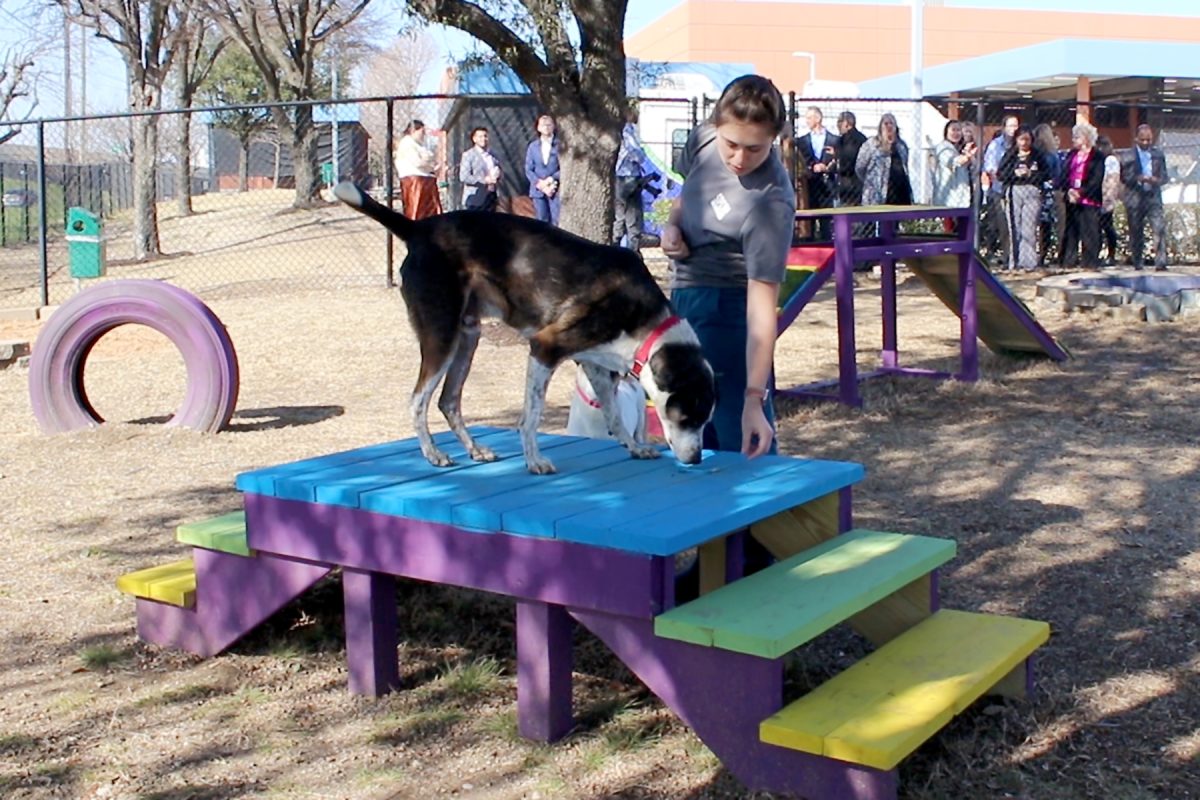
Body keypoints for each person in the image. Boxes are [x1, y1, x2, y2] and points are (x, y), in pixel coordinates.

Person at [659, 74, 795, 457]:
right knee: (688, 435)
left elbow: (762, 308)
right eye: (731, 144)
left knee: (739, 443)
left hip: (730, 311)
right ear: (715, 125)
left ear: (775, 137)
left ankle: (756, 518)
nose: (739, 158)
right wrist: (672, 226)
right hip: (683, 302)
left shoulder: (771, 202)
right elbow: (690, 192)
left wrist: (754, 399)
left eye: (755, 148)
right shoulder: (703, 139)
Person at [998, 126, 1051, 271]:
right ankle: (1013, 262)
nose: (1024, 143)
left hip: (1032, 191)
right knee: (1014, 227)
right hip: (1014, 190)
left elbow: (1047, 174)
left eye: (1027, 139)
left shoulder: (1037, 155)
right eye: (1021, 139)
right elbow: (1001, 174)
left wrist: (1030, 174)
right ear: (1016, 140)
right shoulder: (1010, 154)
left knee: (1029, 227)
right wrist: (1015, 173)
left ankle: (1028, 263)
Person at [1121, 123, 1169, 270]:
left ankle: (1161, 262)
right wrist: (1138, 178)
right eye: (1143, 140)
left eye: (1149, 140)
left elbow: (1165, 177)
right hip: (1135, 197)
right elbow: (1124, 178)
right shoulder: (1128, 156)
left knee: (1159, 228)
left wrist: (1156, 181)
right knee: (1136, 230)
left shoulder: (1158, 154)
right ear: (1136, 139)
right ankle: (1137, 262)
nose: (1146, 143)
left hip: (1153, 196)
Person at [1057, 122, 1104, 270]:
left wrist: (1081, 192)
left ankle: (1090, 263)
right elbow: (1064, 175)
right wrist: (1069, 190)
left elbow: (1096, 179)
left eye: (1077, 137)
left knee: (1089, 231)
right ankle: (1068, 262)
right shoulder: (1071, 154)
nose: (1073, 140)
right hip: (1071, 199)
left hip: (1089, 199)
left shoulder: (1097, 156)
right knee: (1071, 232)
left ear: (1086, 138)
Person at [981, 115, 1019, 265]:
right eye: (1010, 126)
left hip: (1018, 189)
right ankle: (1007, 255)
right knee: (1003, 224)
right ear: (1003, 127)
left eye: (1015, 126)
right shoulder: (995, 145)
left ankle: (1017, 256)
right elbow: (990, 168)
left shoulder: (1020, 143)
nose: (1013, 129)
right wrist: (1004, 175)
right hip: (999, 189)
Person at [796, 106, 839, 238]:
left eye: (809, 118)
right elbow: (800, 161)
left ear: (818, 118)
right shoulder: (801, 141)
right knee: (809, 223)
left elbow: (839, 162)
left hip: (827, 186)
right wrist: (811, 168)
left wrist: (827, 167)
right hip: (809, 185)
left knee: (826, 223)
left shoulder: (834, 140)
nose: (807, 121)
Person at [855, 112, 912, 207]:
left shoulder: (901, 146)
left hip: (899, 195)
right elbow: (860, 167)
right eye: (886, 124)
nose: (889, 126)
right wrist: (870, 182)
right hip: (876, 195)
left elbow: (905, 167)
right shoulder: (871, 144)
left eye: (892, 123)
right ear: (880, 127)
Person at [930, 119, 976, 232]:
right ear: (946, 132)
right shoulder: (943, 147)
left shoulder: (960, 148)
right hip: (948, 200)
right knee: (948, 232)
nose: (956, 133)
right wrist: (968, 156)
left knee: (963, 231)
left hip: (962, 199)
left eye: (958, 130)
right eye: (953, 130)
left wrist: (969, 156)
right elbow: (953, 161)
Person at [613, 105, 646, 250]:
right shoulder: (628, 131)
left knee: (619, 215)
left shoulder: (616, 131)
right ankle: (633, 251)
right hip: (628, 177)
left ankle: (615, 246)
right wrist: (641, 156)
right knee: (632, 218)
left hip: (619, 177)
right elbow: (637, 154)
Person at [394, 120, 442, 220]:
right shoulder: (407, 143)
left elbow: (429, 159)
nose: (423, 135)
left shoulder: (419, 145)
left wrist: (430, 163)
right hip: (415, 181)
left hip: (426, 179)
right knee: (416, 210)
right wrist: (430, 164)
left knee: (430, 211)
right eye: (422, 132)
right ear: (413, 130)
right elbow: (418, 162)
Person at [1032, 123, 1063, 266]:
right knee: (1046, 225)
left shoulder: (1037, 154)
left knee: (1036, 224)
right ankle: (1043, 255)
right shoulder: (1052, 155)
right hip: (1048, 191)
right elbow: (1058, 175)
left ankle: (1038, 255)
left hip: (1037, 189)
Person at [524, 114, 561, 225]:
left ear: (554, 126)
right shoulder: (533, 146)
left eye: (549, 124)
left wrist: (551, 179)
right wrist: (540, 184)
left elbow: (563, 168)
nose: (546, 127)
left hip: (555, 189)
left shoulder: (560, 145)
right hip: (538, 191)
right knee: (541, 222)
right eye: (543, 125)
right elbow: (528, 168)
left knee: (556, 222)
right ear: (538, 128)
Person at [459, 126, 501, 211]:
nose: (484, 139)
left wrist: (499, 174)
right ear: (474, 139)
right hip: (475, 199)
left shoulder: (493, 155)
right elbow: (464, 177)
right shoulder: (468, 155)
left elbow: (498, 171)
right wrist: (484, 180)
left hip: (491, 197)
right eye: (480, 136)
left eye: (485, 136)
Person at [1096, 134, 1121, 266]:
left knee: (1107, 226)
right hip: (1096, 197)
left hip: (1106, 197)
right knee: (1096, 228)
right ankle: (1097, 254)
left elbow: (1113, 180)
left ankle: (1111, 254)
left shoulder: (1111, 160)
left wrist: (1109, 197)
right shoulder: (1098, 160)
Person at [835, 110, 867, 208]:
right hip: (860, 185)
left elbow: (848, 162)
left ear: (848, 123)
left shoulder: (848, 140)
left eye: (840, 122)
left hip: (849, 185)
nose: (838, 125)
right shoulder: (863, 139)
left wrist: (837, 161)